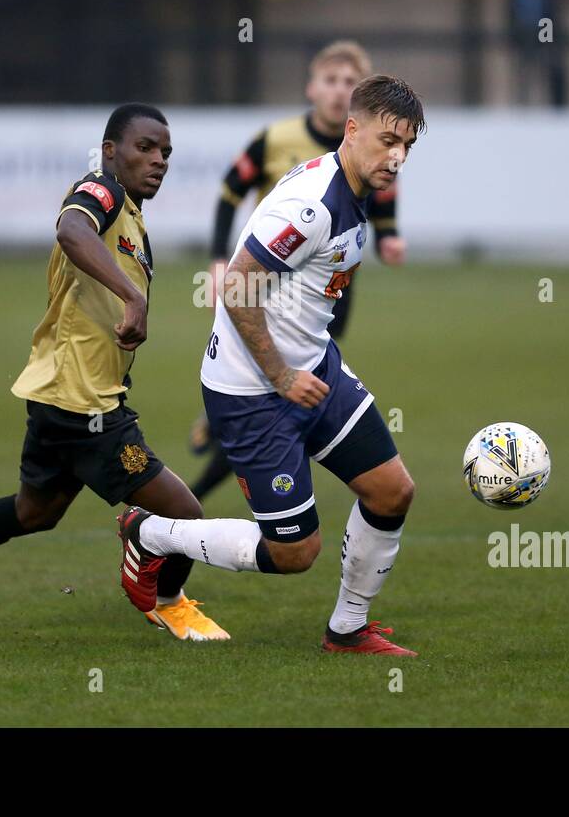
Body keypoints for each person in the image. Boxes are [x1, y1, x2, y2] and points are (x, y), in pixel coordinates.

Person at [0, 105, 229, 642]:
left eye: (165, 152)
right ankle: (167, 602)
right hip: (84, 406)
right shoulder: (101, 190)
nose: (157, 160)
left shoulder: (133, 215)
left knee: (34, 512)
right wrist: (132, 298)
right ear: (109, 151)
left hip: (65, 394)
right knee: (185, 514)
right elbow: (71, 231)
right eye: (144, 147)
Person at [117, 76, 424, 655]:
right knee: (294, 553)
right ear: (352, 130)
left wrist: (300, 367)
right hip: (253, 392)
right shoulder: (311, 206)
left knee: (391, 492)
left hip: (314, 370)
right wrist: (281, 376)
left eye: (407, 146)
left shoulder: (355, 188)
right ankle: (150, 532)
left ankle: (348, 629)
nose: (398, 157)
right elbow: (236, 290)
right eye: (388, 141)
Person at [188, 40, 404, 500]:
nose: (338, 90)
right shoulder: (281, 143)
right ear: (312, 87)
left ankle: (252, 437)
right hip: (269, 278)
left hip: (330, 287)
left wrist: (389, 235)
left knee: (299, 383)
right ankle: (212, 481)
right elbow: (230, 194)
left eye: (350, 83)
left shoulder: (376, 154)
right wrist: (218, 259)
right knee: (275, 391)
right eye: (331, 80)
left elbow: (383, 203)